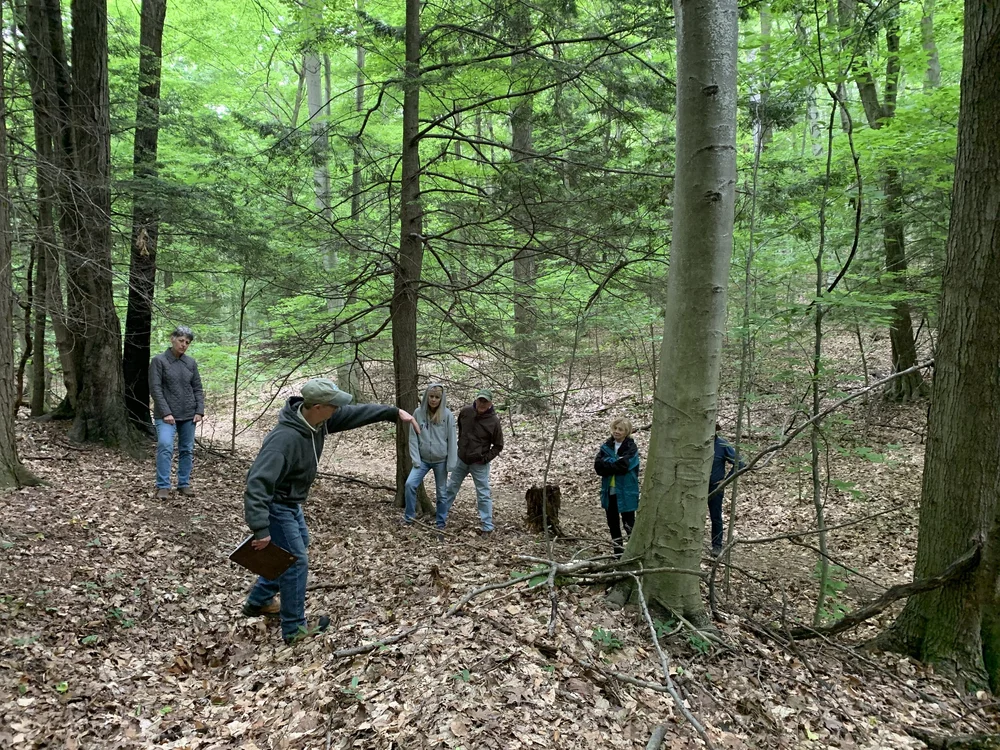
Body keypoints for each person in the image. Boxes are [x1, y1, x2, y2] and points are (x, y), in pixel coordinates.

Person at [241, 378, 419, 644]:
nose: (338, 411)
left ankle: (259, 601)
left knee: (298, 546)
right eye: (333, 406)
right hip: (276, 506)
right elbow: (257, 484)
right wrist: (260, 528)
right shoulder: (284, 439)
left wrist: (392, 413)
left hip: (291, 503)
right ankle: (294, 630)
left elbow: (354, 413)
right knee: (296, 561)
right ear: (318, 407)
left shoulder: (318, 422)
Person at [438, 389, 504, 536]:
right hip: (461, 459)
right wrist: (460, 447)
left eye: (485, 401)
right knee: (450, 488)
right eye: (480, 400)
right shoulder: (466, 412)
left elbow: (498, 445)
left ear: (490, 403)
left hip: (479, 463)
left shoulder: (494, 421)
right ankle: (440, 518)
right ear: (476, 400)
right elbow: (460, 430)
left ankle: (487, 526)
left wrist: (484, 458)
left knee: (483, 494)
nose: (482, 403)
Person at [148, 326, 205, 500]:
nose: (184, 345)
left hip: (189, 414)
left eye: (187, 342)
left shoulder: (190, 363)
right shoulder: (159, 361)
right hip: (166, 415)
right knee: (165, 446)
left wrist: (199, 411)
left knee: (186, 449)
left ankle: (183, 484)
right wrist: (165, 412)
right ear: (172, 339)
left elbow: (197, 388)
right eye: (181, 341)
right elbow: (155, 388)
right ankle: (163, 485)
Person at [403, 384, 457, 525]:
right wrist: (415, 459)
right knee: (409, 485)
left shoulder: (447, 415)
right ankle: (409, 517)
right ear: (426, 396)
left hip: (441, 460)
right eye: (431, 396)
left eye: (437, 397)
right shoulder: (418, 413)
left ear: (441, 399)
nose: (433, 400)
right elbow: (413, 437)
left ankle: (440, 522)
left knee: (441, 493)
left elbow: (452, 439)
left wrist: (451, 463)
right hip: (422, 459)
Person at [594, 417, 640, 557]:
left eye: (620, 429)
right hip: (610, 492)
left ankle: (633, 553)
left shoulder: (631, 448)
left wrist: (609, 463)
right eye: (615, 428)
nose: (617, 431)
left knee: (629, 524)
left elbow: (625, 466)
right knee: (613, 524)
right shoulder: (606, 447)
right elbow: (598, 467)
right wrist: (615, 462)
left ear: (627, 432)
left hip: (626, 492)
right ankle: (617, 554)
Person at [708, 422, 746, 556]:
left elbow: (740, 463)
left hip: (715, 487)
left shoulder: (722, 445)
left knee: (716, 516)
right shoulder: (696, 443)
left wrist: (725, 481)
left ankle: (717, 545)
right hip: (695, 487)